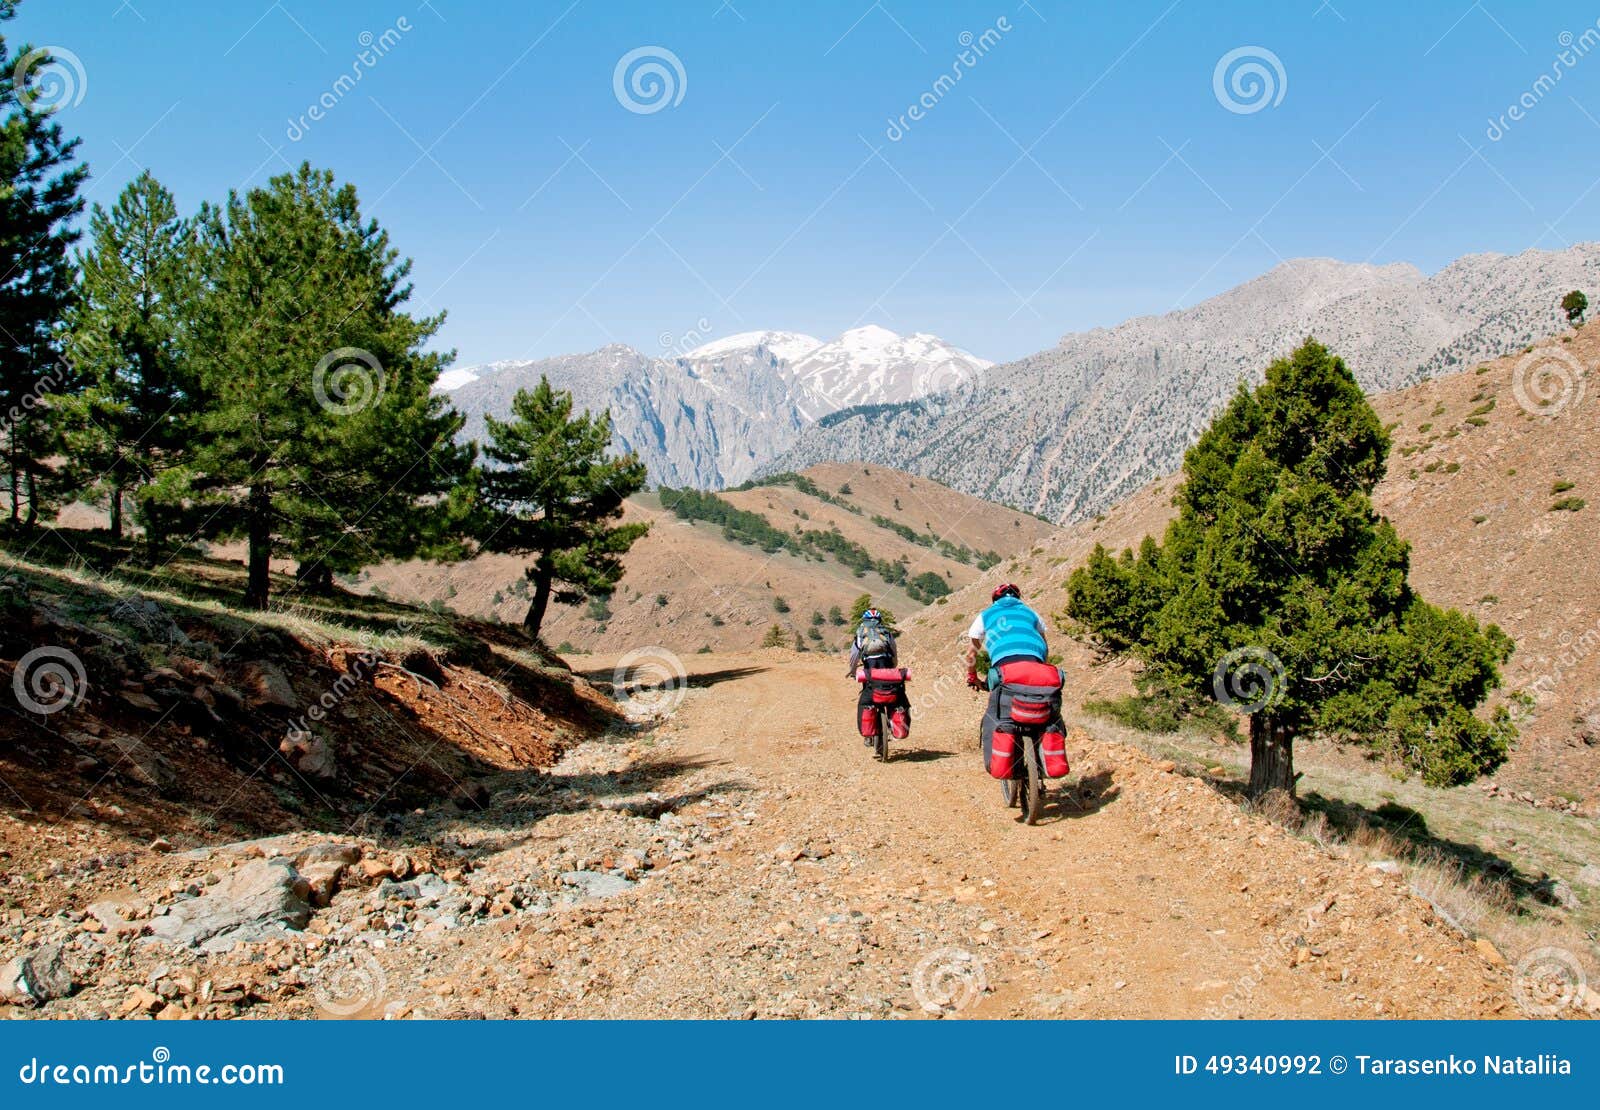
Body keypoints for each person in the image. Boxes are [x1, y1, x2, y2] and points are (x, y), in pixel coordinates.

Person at [966, 583, 1052, 769]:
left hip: (1005, 671)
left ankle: (1001, 761)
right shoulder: (1031, 613)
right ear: (1018, 598)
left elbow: (971, 655)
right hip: (1036, 667)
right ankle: (1045, 758)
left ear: (994, 600)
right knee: (1047, 710)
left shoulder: (986, 615)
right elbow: (1045, 647)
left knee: (996, 710)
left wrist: (972, 677)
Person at [847, 607, 910, 744]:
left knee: (867, 699)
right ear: (879, 621)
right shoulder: (886, 633)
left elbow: (854, 655)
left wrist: (852, 671)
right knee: (897, 695)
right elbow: (894, 651)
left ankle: (868, 735)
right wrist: (893, 667)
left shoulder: (860, 633)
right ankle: (895, 724)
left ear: (864, 620)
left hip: (870, 672)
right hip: (887, 669)